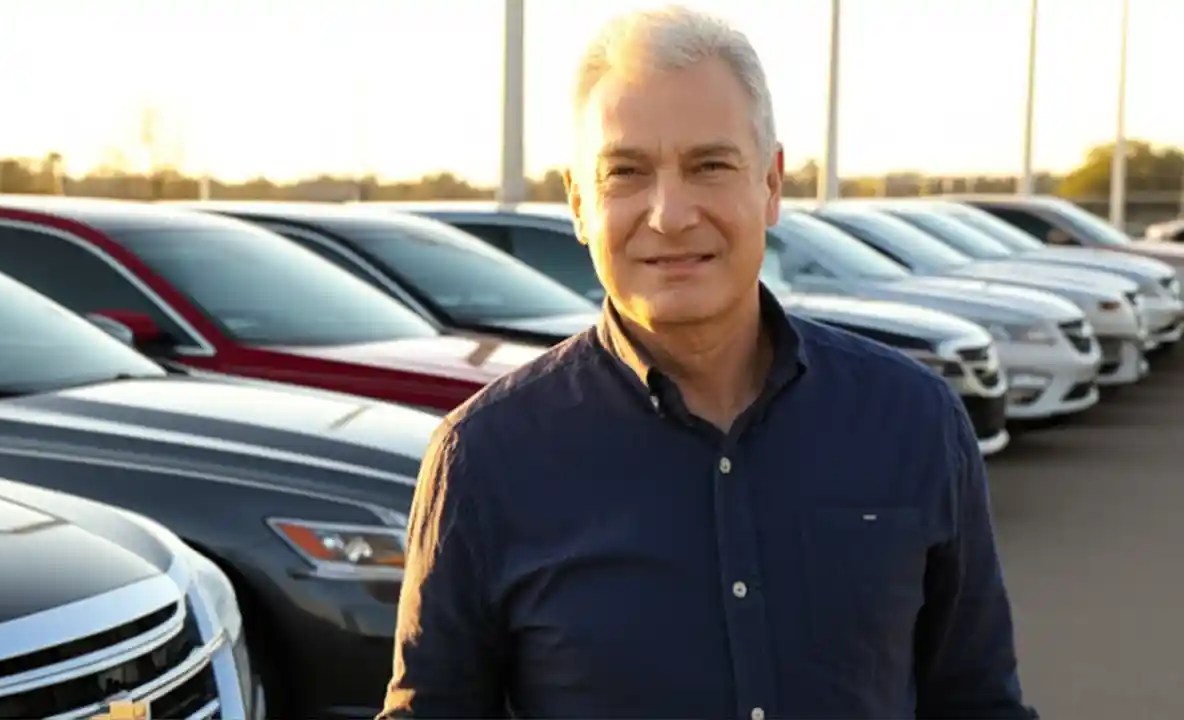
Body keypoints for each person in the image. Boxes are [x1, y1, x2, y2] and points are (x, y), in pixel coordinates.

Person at [379, 5, 1038, 718]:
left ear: (773, 184)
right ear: (577, 202)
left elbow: (979, 702)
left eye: (710, 165)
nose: (669, 213)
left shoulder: (913, 421)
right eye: (625, 172)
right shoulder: (485, 458)